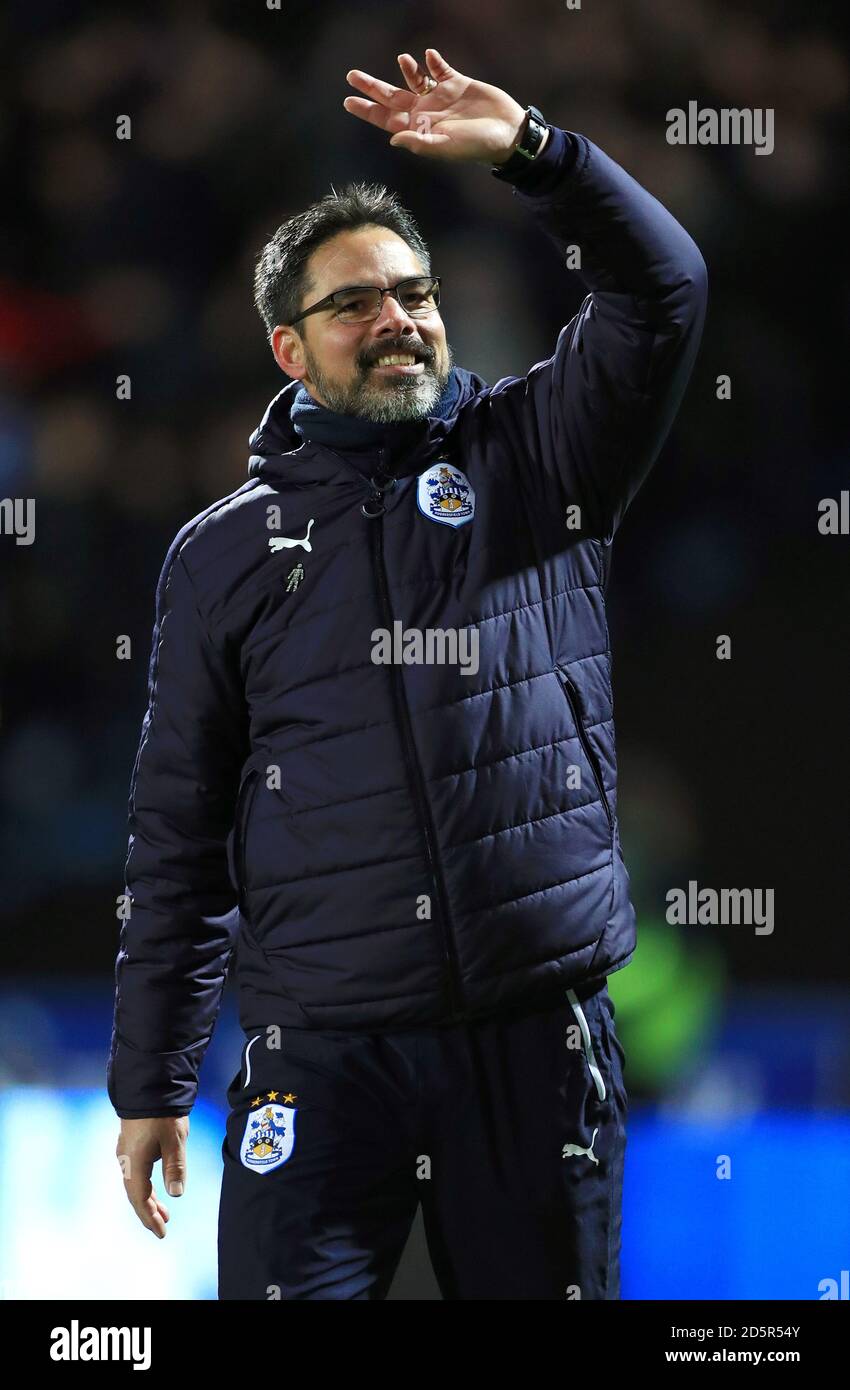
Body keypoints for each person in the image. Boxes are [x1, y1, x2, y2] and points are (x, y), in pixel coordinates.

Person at [108, 47, 707, 1300]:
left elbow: (664, 291)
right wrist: (154, 1078)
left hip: (528, 1035)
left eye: (415, 291)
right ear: (288, 348)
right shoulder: (219, 556)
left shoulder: (539, 458)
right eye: (356, 303)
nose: (399, 319)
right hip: (321, 1057)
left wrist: (540, 155)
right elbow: (179, 831)